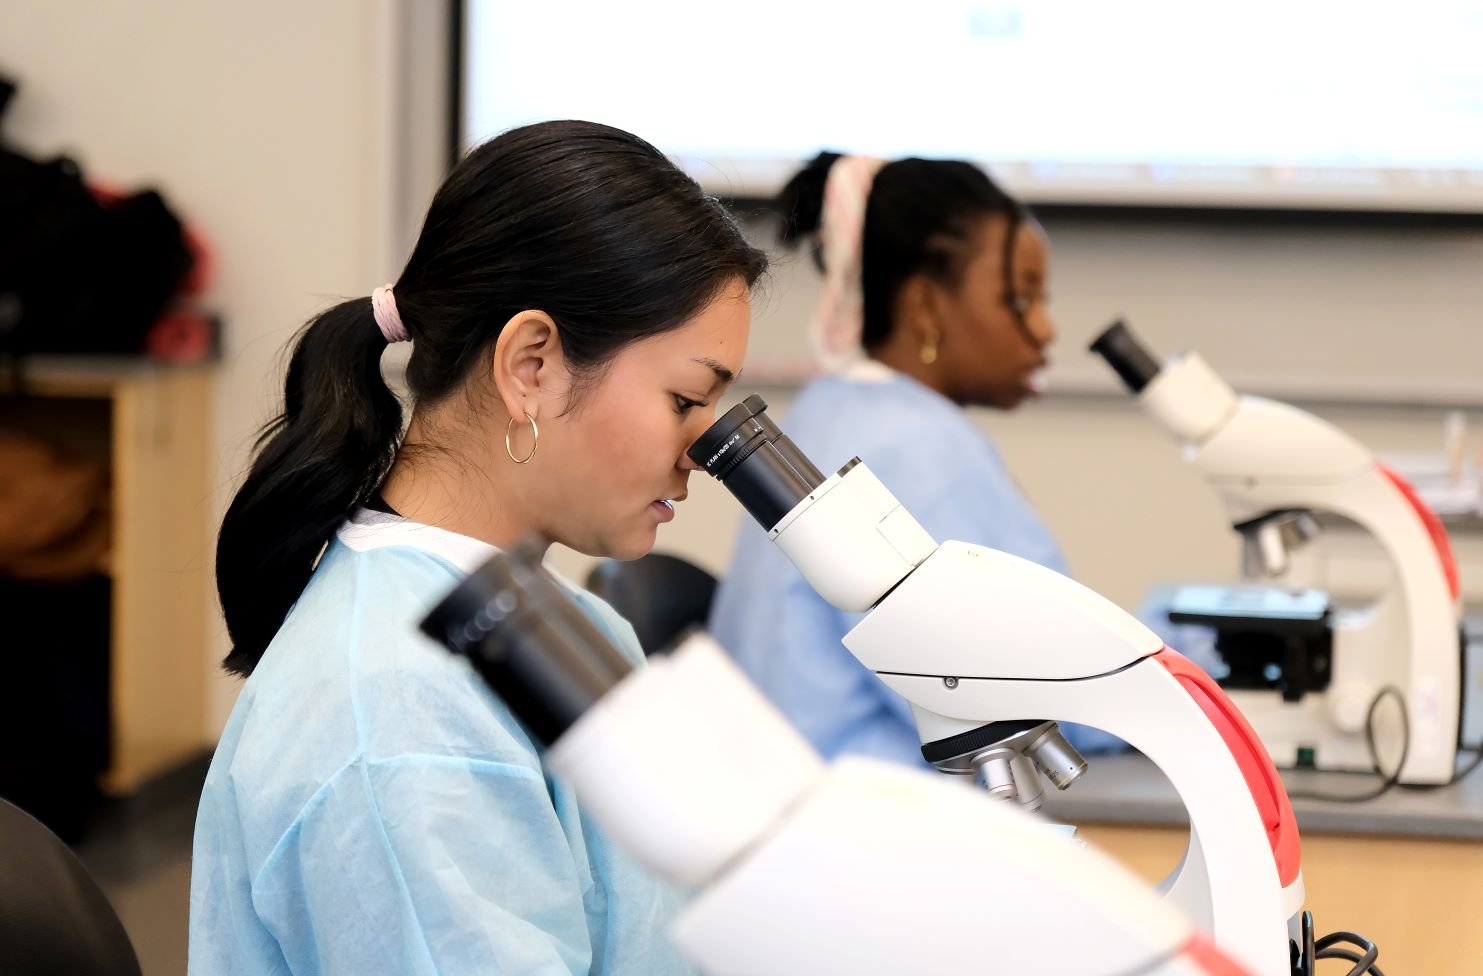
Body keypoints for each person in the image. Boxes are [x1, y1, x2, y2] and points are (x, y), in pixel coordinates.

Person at [190, 121, 766, 975]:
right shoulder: (394, 714)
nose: (701, 453)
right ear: (529, 364)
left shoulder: (572, 624)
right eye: (685, 399)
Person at [709, 152, 1121, 765]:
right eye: (1019, 297)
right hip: (861, 825)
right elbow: (1043, 690)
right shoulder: (917, 445)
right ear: (927, 305)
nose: (1044, 329)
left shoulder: (832, 407)